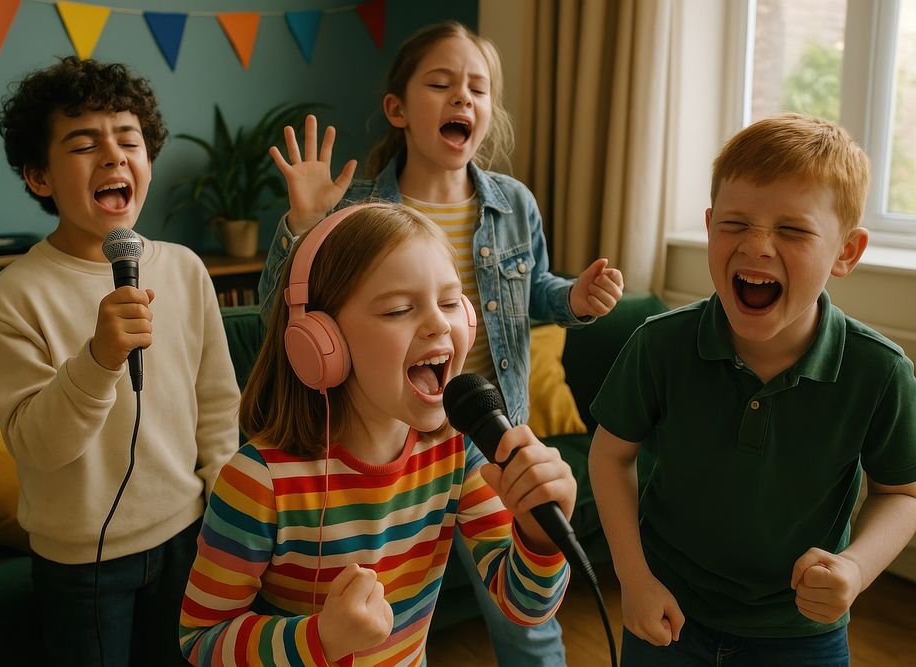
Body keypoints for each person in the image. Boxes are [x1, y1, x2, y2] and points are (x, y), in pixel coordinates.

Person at [261, 20, 624, 665]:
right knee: (380, 616)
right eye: (442, 83)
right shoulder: (358, 211)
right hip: (389, 440)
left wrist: (571, 300)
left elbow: (532, 288)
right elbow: (286, 320)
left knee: (528, 622)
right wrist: (304, 225)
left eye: (478, 88)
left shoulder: (514, 203)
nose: (464, 98)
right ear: (397, 109)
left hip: (488, 430)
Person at [179, 202, 576, 666]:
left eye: (450, 303)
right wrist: (321, 639)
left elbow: (524, 606)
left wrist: (539, 534)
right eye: (398, 310)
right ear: (321, 342)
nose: (438, 324)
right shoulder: (257, 483)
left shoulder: (457, 451)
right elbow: (202, 641)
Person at [588, 113, 916, 666]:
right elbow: (611, 454)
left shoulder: (880, 372)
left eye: (792, 229)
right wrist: (633, 578)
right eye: (736, 224)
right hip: (667, 610)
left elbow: (902, 493)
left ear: (846, 252)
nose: (758, 246)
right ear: (711, 226)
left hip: (802, 634)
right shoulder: (659, 345)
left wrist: (855, 569)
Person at [0, 56, 241, 666]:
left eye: (130, 140)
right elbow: (36, 445)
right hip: (81, 560)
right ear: (39, 176)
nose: (115, 155)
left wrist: (223, 509)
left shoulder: (183, 268)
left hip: (189, 534)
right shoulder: (15, 295)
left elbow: (217, 403)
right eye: (83, 144)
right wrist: (98, 360)